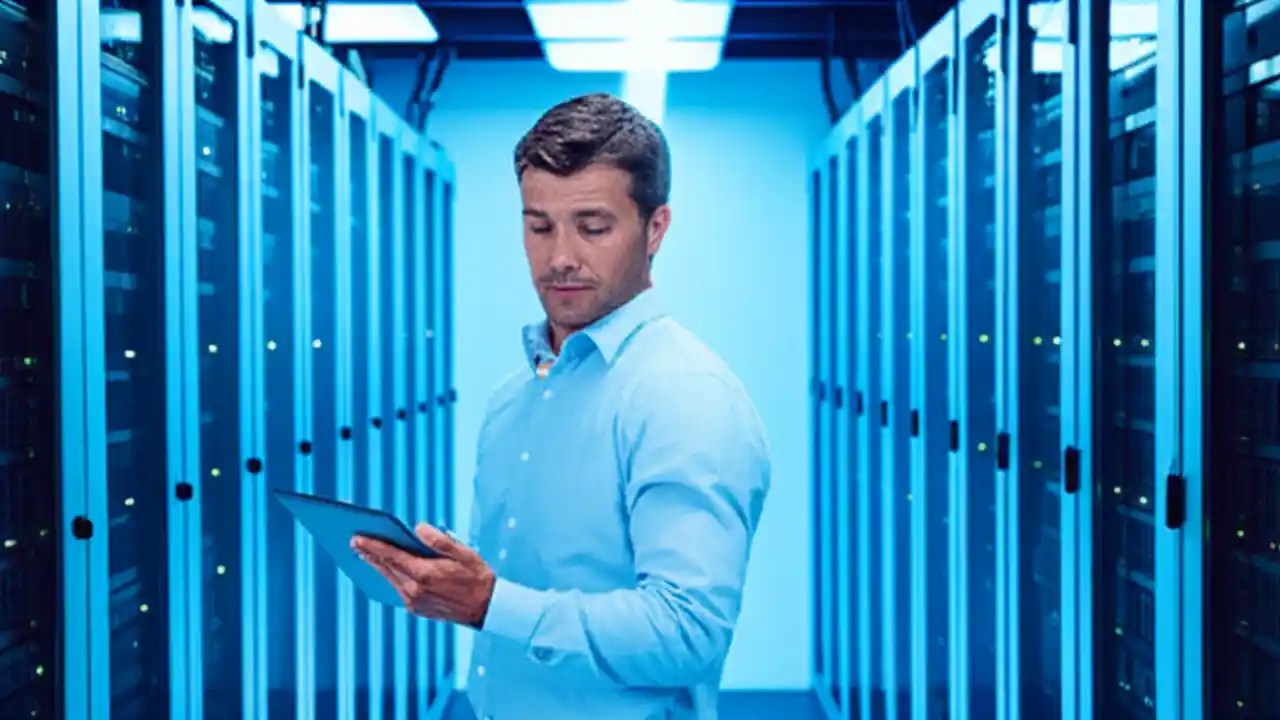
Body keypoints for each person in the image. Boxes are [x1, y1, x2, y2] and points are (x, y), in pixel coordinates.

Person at [353, 92, 771, 720]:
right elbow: (524, 587)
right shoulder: (514, 398)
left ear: (656, 228)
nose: (560, 258)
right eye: (539, 226)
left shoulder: (685, 395)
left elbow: (687, 632)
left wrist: (490, 603)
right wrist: (450, 582)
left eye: (593, 227)